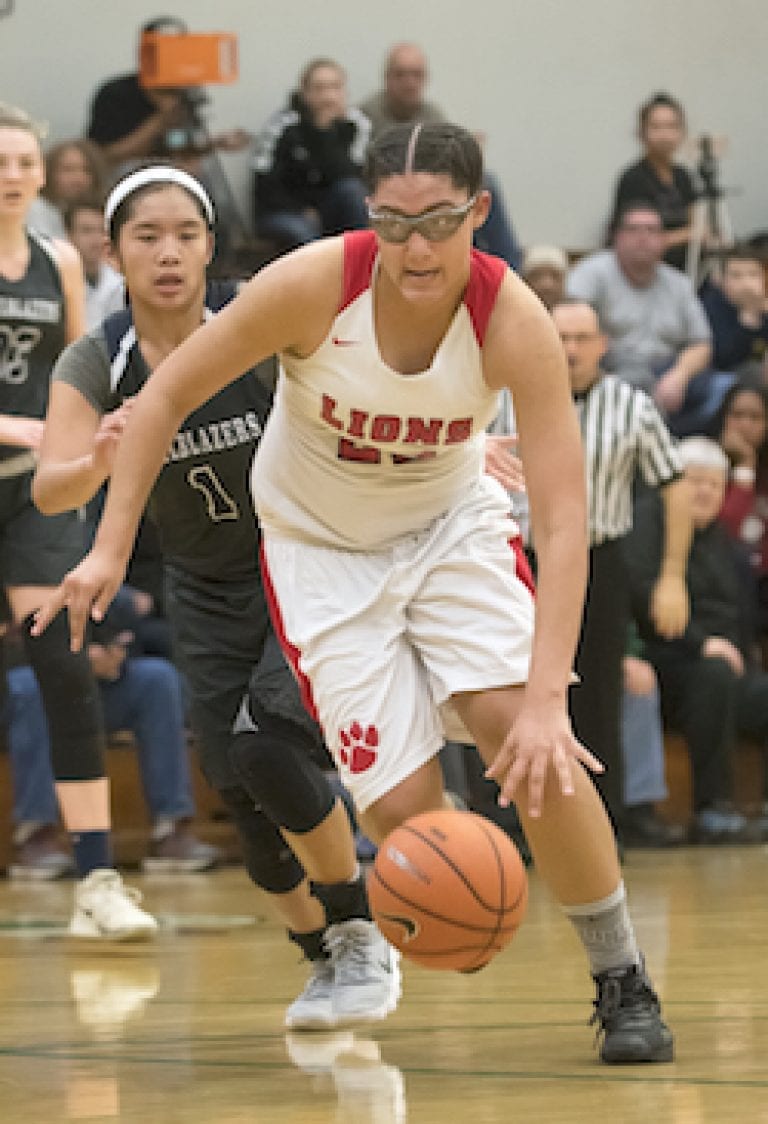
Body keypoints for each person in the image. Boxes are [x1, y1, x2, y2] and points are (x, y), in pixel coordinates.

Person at [35, 124, 675, 1065]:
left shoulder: (514, 319)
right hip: (322, 553)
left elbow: (569, 519)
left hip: (449, 527)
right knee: (412, 824)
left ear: (479, 213)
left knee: (530, 742)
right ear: (370, 215)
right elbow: (162, 398)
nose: (417, 247)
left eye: (441, 222)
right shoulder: (312, 283)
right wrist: (109, 550)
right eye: (395, 222)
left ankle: (622, 978)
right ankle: (372, 928)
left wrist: (547, 698)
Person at [32, 165, 399, 1031]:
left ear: (211, 244)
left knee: (265, 744)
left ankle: (359, 929)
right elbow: (51, 489)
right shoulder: (99, 358)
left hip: (305, 562)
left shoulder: (256, 317)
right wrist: (97, 460)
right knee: (233, 781)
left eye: (185, 235)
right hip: (203, 585)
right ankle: (322, 957)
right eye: (145, 237)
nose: (167, 253)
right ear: (113, 252)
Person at [0, 102, 155, 938]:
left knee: (62, 667)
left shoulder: (59, 260)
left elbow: (70, 378)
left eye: (24, 161)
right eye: (1, 163)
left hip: (30, 494)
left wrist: (87, 447)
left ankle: (97, 880)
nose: (15, 175)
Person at [551, 299, 692, 837]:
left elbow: (675, 484)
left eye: (581, 337)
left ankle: (600, 829)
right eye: (560, 336)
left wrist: (673, 575)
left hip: (597, 562)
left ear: (602, 344)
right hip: (524, 561)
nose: (569, 349)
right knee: (516, 695)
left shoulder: (632, 406)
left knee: (598, 698)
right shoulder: (511, 399)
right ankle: (515, 828)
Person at [6, 598, 219, 875]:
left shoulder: (94, 565)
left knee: (158, 678)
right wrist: (69, 661)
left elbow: (126, 617)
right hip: (33, 682)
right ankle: (35, 835)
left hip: (96, 686)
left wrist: (114, 650)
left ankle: (171, 829)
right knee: (27, 686)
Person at [626, 437, 767, 842]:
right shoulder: (646, 523)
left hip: (723, 666)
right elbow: (641, 593)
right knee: (714, 674)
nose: (704, 491)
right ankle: (712, 810)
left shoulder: (724, 542)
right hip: (665, 660)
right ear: (670, 483)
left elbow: (743, 614)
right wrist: (701, 643)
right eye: (694, 481)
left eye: (714, 484)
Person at [359, 44, 522, 270]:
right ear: (387, 78)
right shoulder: (366, 114)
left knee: (485, 183)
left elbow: (448, 162)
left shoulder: (432, 114)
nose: (409, 83)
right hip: (388, 190)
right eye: (401, 75)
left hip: (430, 188)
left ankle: (508, 270)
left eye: (416, 75)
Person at [567, 201, 720, 436]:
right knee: (634, 378)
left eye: (652, 230)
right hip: (610, 367)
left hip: (669, 370)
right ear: (617, 236)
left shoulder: (679, 284)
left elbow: (701, 343)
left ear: (663, 239)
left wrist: (678, 376)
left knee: (726, 389)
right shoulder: (590, 274)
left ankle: (683, 453)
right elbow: (569, 325)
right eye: (634, 229)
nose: (643, 237)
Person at [85, 16, 249, 175]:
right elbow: (103, 157)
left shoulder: (185, 93)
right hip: (125, 177)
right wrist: (160, 121)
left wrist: (216, 143)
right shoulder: (115, 93)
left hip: (172, 177)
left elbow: (176, 145)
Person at [251, 57, 370, 253]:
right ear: (305, 93)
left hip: (330, 207)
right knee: (305, 234)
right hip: (285, 210)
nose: (328, 97)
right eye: (320, 89)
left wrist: (326, 134)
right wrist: (301, 210)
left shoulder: (356, 125)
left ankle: (364, 270)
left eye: (335, 88)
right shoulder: (283, 126)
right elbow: (265, 184)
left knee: (353, 192)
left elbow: (354, 177)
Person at [610, 93, 697, 272]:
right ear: (641, 132)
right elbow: (637, 238)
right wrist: (689, 235)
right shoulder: (633, 177)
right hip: (645, 268)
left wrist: (696, 233)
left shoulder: (683, 176)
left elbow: (696, 222)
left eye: (672, 127)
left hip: (689, 266)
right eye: (656, 127)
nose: (664, 135)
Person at [715, 378, 768, 653]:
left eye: (755, 417)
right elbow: (727, 530)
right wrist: (744, 468)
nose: (744, 425)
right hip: (726, 581)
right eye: (737, 415)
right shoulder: (708, 466)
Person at [700, 245, 768, 374]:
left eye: (753, 275)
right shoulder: (712, 305)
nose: (746, 283)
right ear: (722, 281)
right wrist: (750, 315)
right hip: (728, 378)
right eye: (736, 276)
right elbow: (723, 360)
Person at [27, 139, 108, 241]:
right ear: (49, 173)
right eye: (68, 169)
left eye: (86, 170)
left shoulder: (106, 211)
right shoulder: (35, 208)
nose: (78, 178)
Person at [63, 197, 124, 329]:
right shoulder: (54, 281)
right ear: (68, 235)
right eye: (87, 231)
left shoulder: (123, 281)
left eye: (102, 231)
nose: (96, 240)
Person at [520, 245, 567, 311]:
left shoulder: (579, 315)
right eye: (537, 276)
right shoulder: (509, 315)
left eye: (555, 276)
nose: (546, 285)